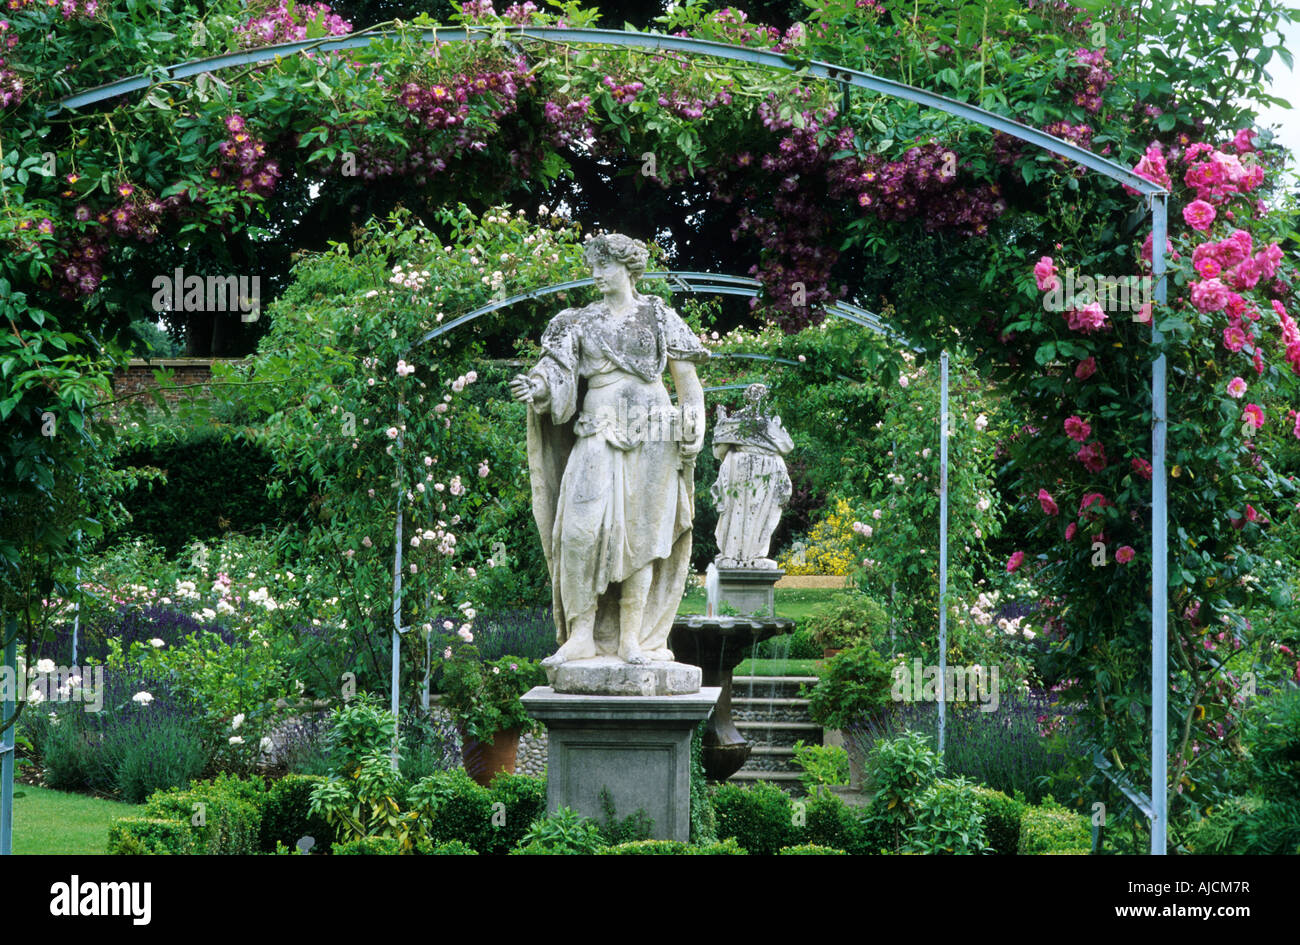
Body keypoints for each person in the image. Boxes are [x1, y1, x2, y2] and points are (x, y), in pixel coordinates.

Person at [511, 234, 708, 665]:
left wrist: (695, 419)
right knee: (579, 531)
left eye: (604, 265)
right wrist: (538, 386)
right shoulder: (577, 321)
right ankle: (580, 634)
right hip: (598, 429)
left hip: (655, 433)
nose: (596, 274)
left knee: (643, 535)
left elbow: (687, 381)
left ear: (627, 268)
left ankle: (631, 639)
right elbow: (554, 371)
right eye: (593, 266)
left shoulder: (657, 315)